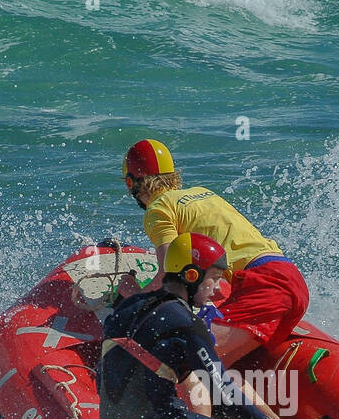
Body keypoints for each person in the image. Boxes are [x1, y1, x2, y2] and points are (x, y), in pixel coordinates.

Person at [99, 232, 317, 419]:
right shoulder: (187, 325)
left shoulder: (129, 307)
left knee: (192, 411)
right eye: (213, 278)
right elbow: (225, 394)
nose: (216, 289)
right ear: (191, 275)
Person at [121, 138, 310, 367]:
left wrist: (132, 295)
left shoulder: (158, 209)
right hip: (291, 278)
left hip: (265, 286)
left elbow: (167, 276)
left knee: (190, 366)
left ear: (132, 183)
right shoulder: (203, 193)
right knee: (223, 370)